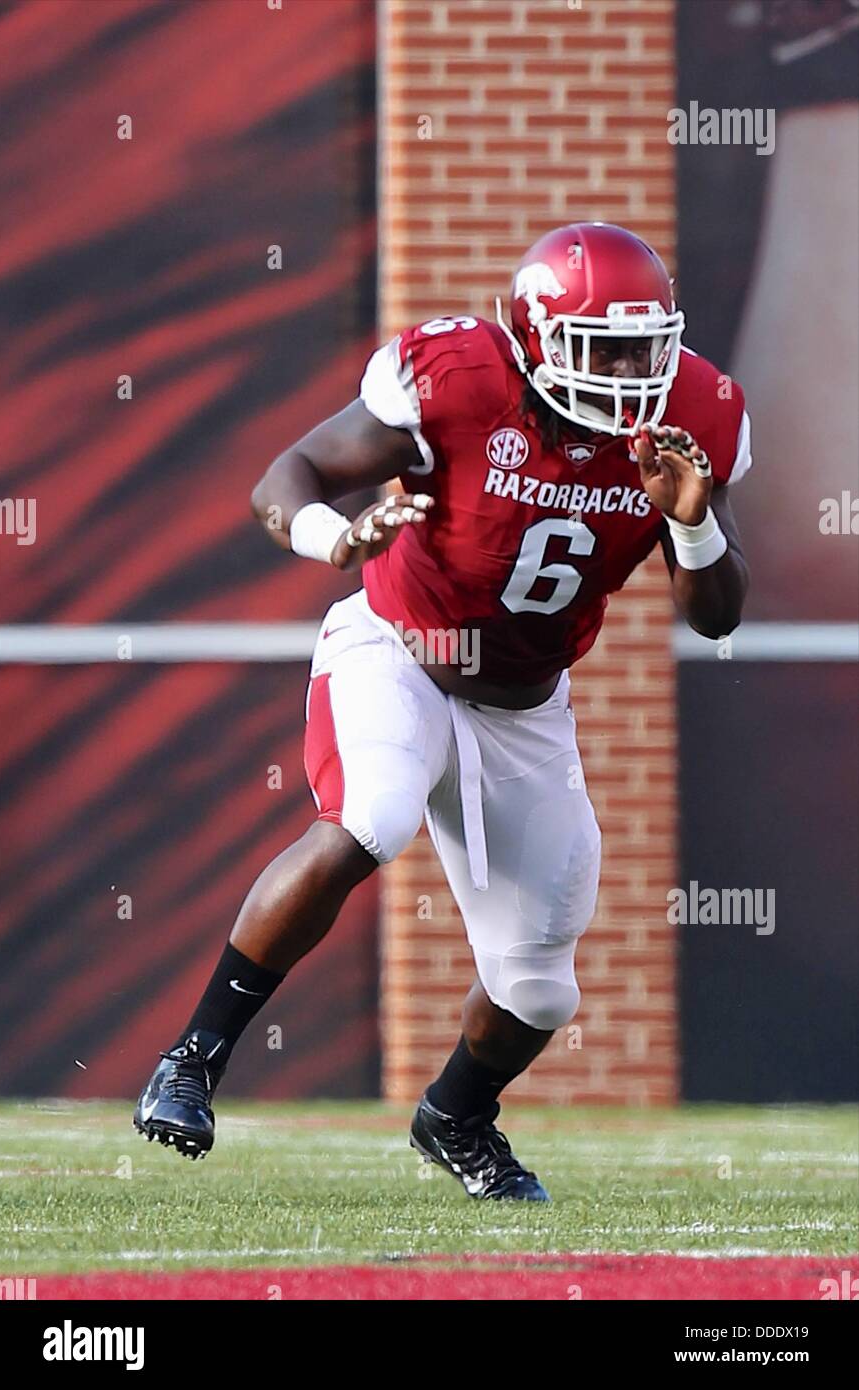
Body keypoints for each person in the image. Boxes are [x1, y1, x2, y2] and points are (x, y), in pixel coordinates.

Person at [134, 222, 751, 1201]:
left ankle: (456, 1117)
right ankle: (193, 1058)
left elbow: (715, 618)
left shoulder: (695, 417)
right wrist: (337, 535)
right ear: (535, 336)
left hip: (524, 703)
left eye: (645, 345)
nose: (631, 370)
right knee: (371, 816)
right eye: (604, 347)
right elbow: (281, 477)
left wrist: (689, 518)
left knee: (541, 982)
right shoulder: (457, 377)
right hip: (399, 651)